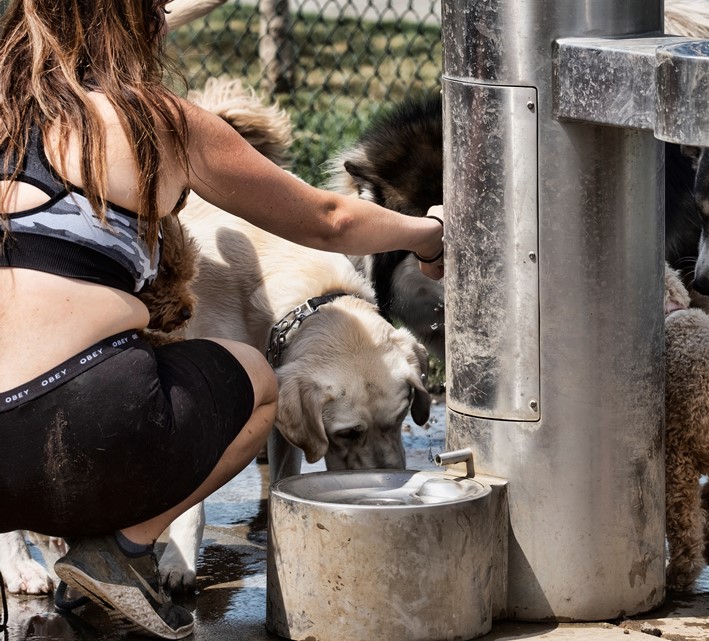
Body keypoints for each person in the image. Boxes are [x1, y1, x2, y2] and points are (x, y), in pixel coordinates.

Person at [0, 1, 444, 638]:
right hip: (77, 427)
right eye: (153, 7)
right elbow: (329, 219)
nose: (165, 13)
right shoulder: (155, 121)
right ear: (131, 25)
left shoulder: (9, 109)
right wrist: (428, 233)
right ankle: (125, 543)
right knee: (258, 381)